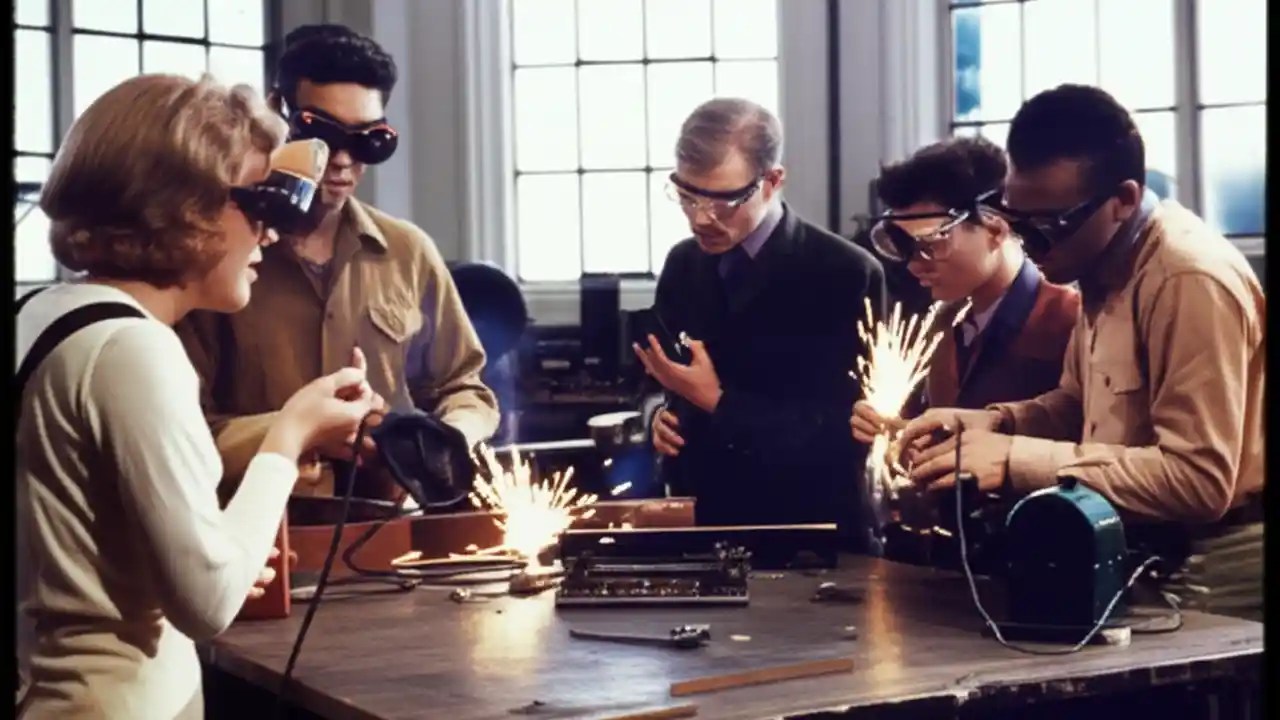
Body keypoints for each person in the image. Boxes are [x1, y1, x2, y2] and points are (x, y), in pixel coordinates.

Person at [15, 74, 383, 718]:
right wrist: (289, 436)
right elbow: (208, 603)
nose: (269, 234)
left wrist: (227, 552)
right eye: (259, 205)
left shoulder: (42, 314)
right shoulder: (136, 352)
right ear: (184, 208)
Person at [897, 85, 1264, 620]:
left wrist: (1012, 459)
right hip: (1143, 551)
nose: (1030, 246)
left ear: (1124, 200)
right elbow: (1079, 404)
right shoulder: (1093, 261)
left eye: (1049, 227)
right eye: (1018, 222)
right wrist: (995, 424)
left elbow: (1198, 481)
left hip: (1210, 570)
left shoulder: (1188, 278)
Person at [177, 24, 498, 501]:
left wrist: (443, 438)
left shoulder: (407, 252)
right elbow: (182, 430)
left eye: (367, 140)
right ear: (275, 114)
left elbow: (464, 386)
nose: (343, 160)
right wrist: (303, 432)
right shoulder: (222, 254)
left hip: (388, 534)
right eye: (322, 134)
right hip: (260, 532)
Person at [634, 97, 887, 545]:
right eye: (687, 195)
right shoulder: (682, 265)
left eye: (723, 201)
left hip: (810, 538)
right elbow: (662, 376)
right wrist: (659, 413)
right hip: (701, 527)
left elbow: (847, 434)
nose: (699, 218)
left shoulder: (845, 273)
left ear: (772, 181)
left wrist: (719, 403)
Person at [849, 137, 1080, 570]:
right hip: (958, 567)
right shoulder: (944, 326)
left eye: (931, 243)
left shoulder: (1070, 323)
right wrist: (897, 433)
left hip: (1047, 563)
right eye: (902, 246)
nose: (914, 264)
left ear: (996, 229)